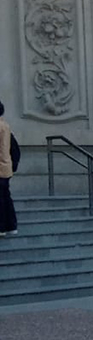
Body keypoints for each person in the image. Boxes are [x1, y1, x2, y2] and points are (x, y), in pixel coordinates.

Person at [0, 99, 17, 237]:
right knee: (6, 197)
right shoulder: (6, 127)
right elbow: (15, 150)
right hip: (6, 168)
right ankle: (11, 226)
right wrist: (12, 166)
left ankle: (1, 227)